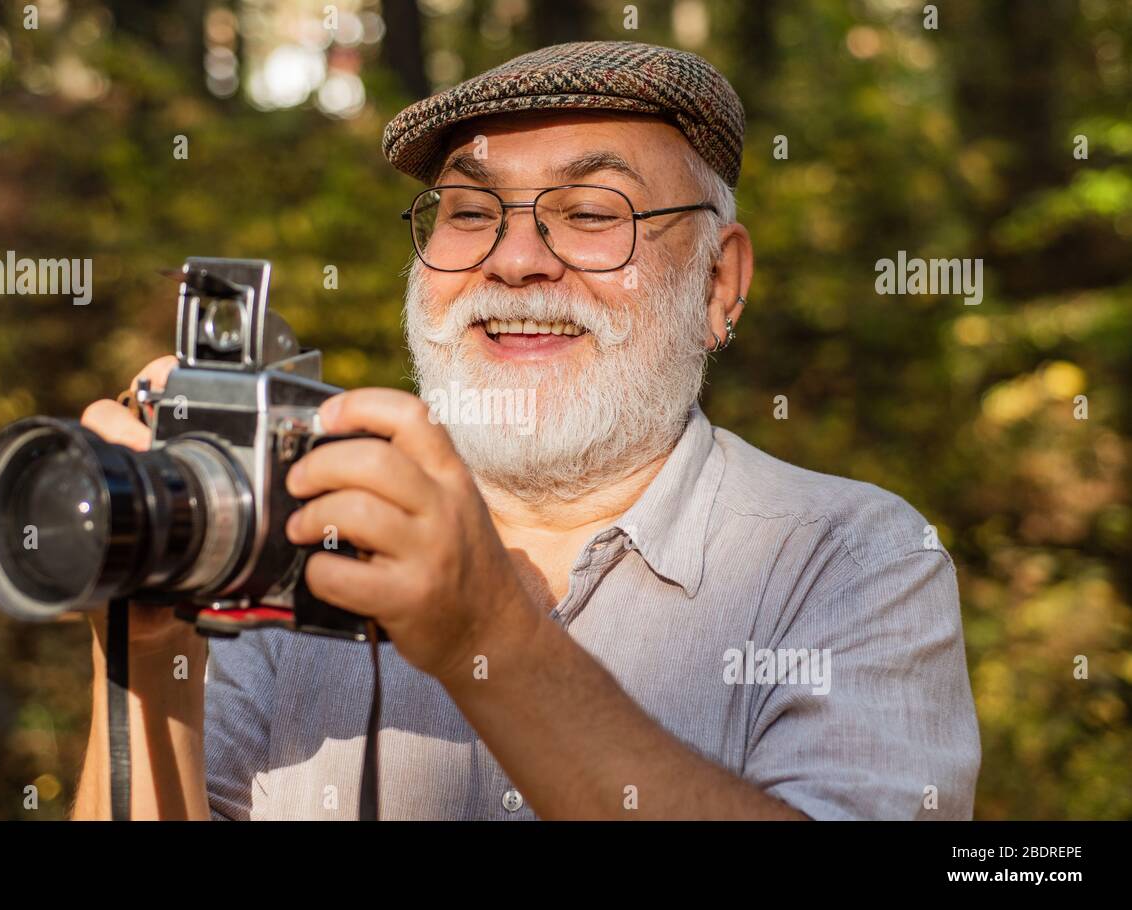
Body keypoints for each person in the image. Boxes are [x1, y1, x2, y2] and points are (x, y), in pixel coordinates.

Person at [71, 41, 980, 821]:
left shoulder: (852, 560)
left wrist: (492, 636)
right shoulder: (298, 529)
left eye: (591, 214)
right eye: (469, 212)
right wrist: (147, 660)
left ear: (718, 286)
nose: (513, 260)